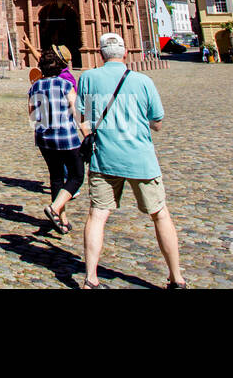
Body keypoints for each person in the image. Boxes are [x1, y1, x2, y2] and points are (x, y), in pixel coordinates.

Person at [77, 32, 187, 289]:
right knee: (160, 214)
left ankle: (91, 279)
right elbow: (157, 121)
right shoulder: (143, 80)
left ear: (99, 53)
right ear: (125, 53)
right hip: (141, 158)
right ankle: (176, 277)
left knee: (97, 215)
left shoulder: (88, 78)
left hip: (104, 157)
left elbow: (83, 118)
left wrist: (89, 136)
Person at [28, 47, 87, 234]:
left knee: (56, 178)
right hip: (66, 138)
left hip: (45, 139)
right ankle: (54, 209)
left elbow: (31, 115)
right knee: (77, 176)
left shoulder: (35, 86)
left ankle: (62, 219)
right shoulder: (65, 84)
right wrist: (88, 134)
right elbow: (78, 113)